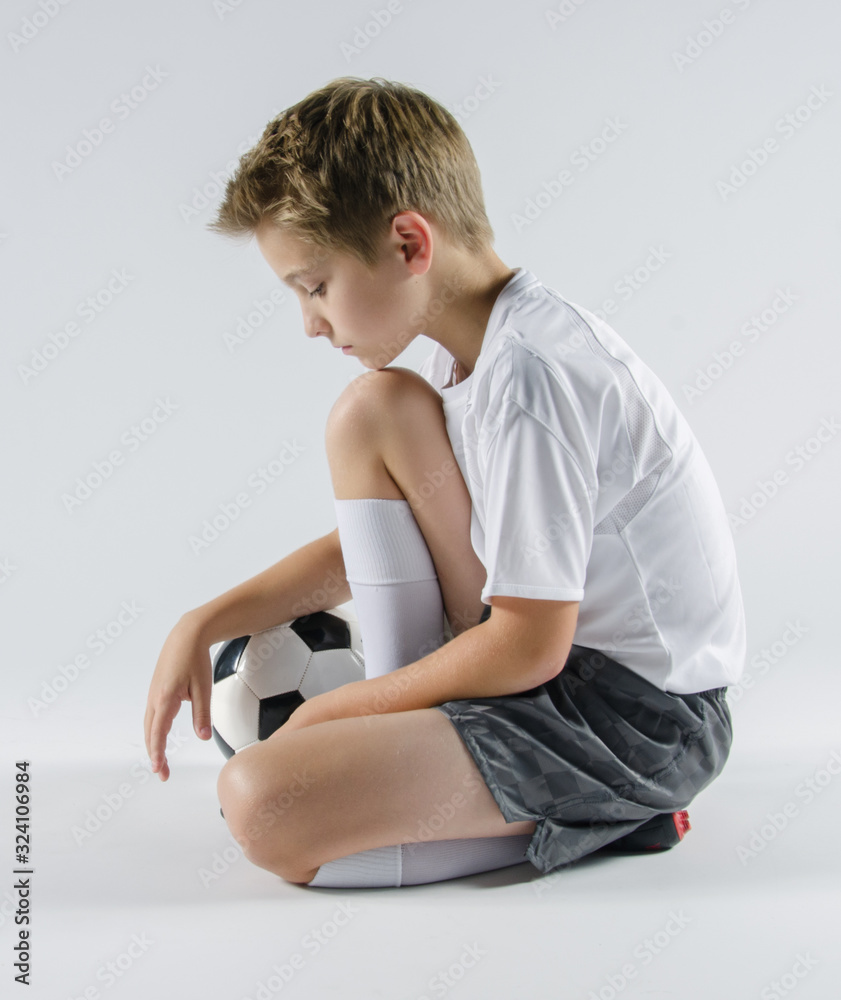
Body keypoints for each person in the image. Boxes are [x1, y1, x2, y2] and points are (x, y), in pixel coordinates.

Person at [143, 76, 745, 889]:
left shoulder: (532, 377)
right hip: (547, 675)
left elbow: (529, 642)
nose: (310, 323)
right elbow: (383, 550)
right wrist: (205, 620)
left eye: (315, 286)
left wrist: (335, 711)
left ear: (408, 245)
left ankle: (622, 812)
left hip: (636, 721)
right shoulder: (461, 359)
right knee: (371, 412)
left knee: (261, 805)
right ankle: (423, 757)